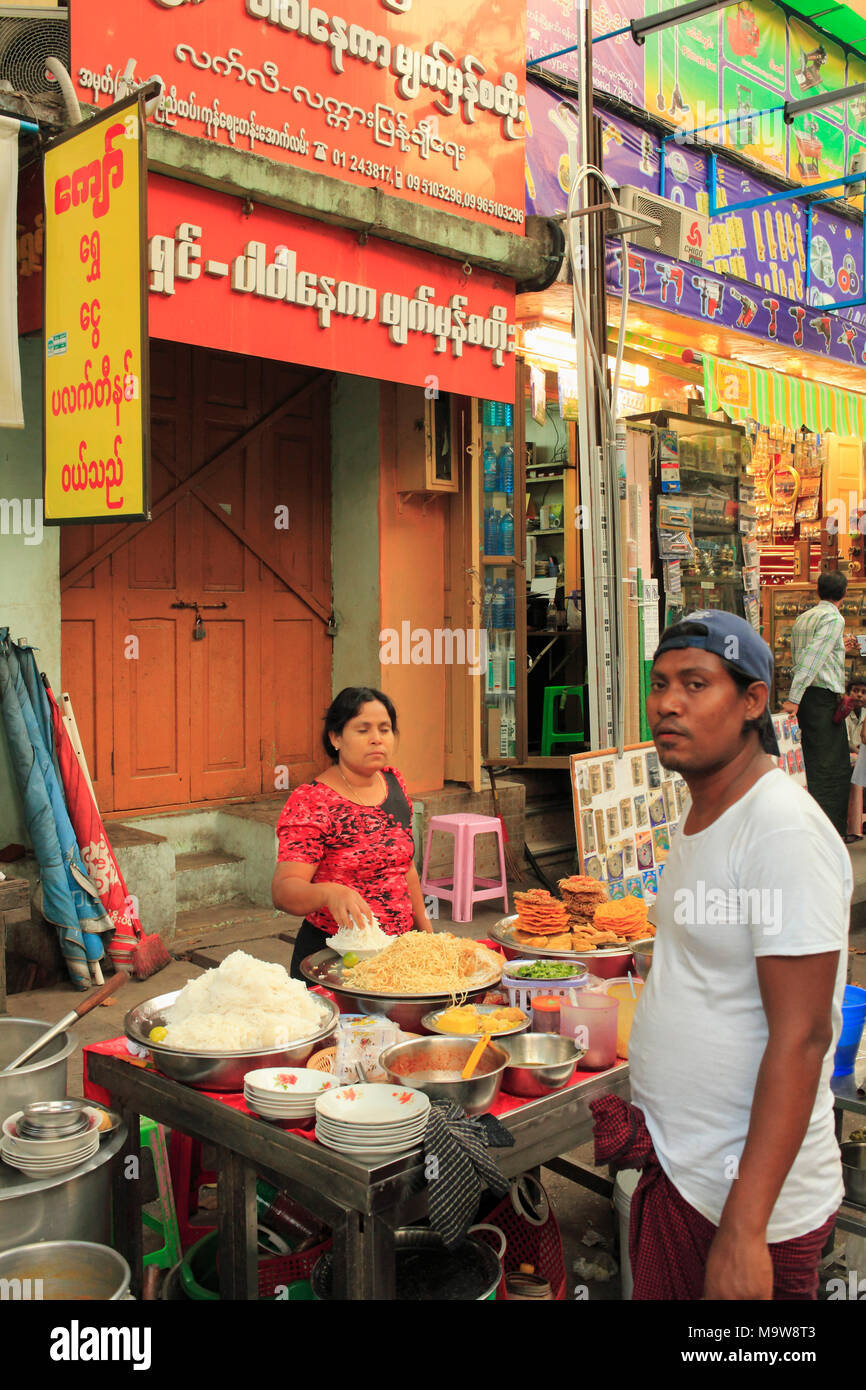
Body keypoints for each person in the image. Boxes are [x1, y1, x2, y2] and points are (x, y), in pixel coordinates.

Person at [599, 611, 849, 1301]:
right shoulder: (702, 813)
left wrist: (744, 1227)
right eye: (659, 684)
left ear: (751, 702)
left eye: (696, 683)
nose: (668, 703)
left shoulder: (780, 831)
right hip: (685, 1173)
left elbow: (803, 1038)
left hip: (746, 1207)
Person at [271, 687, 432, 979]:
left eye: (385, 729)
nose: (377, 738)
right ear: (335, 737)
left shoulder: (393, 783)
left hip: (399, 954)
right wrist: (329, 892)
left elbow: (404, 867)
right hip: (335, 960)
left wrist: (427, 936)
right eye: (363, 729)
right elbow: (284, 891)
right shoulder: (312, 801)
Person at [781, 570, 858, 838]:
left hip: (811, 698)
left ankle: (808, 827)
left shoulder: (804, 618)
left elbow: (805, 656)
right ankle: (828, 833)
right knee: (829, 769)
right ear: (845, 593)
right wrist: (794, 697)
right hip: (820, 699)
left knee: (811, 762)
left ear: (818, 591)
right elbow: (812, 659)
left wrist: (840, 650)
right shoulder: (833, 618)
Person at [833, 676, 866, 841]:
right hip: (849, 754)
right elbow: (845, 742)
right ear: (848, 692)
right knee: (856, 779)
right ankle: (854, 828)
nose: (859, 695)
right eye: (855, 691)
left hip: (862, 754)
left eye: (863, 692)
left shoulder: (865, 713)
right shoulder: (844, 711)